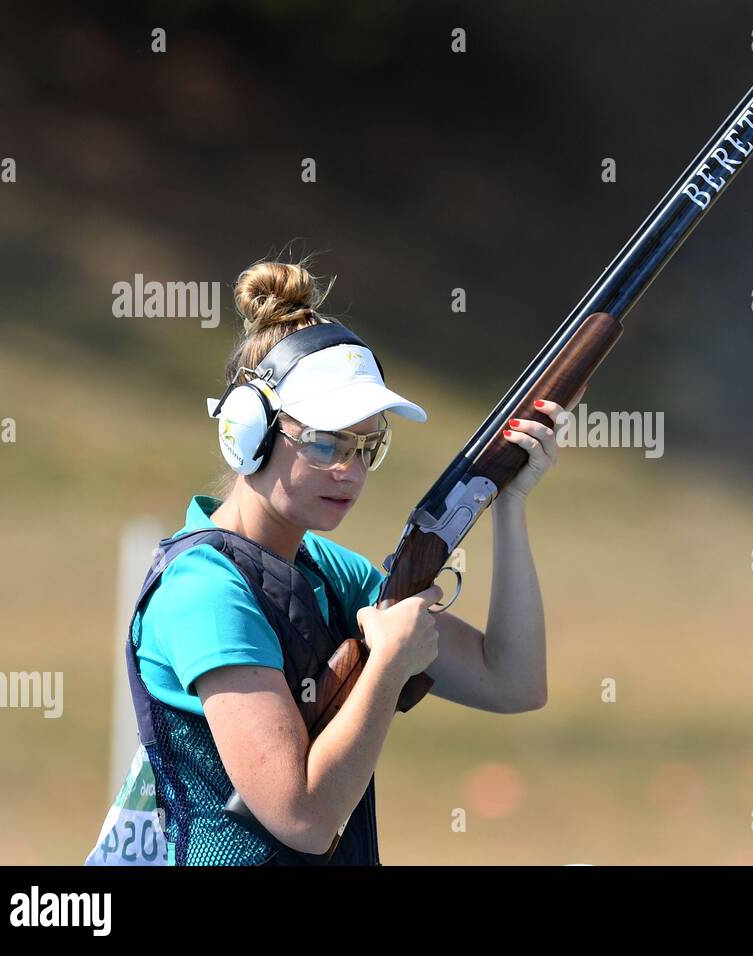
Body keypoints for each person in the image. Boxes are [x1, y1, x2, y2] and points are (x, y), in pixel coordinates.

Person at [126, 258, 577, 865]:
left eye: (368, 446)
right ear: (247, 430)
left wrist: (509, 504)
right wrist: (388, 665)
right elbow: (302, 817)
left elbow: (513, 682)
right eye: (324, 442)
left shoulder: (327, 574)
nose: (351, 469)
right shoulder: (206, 592)